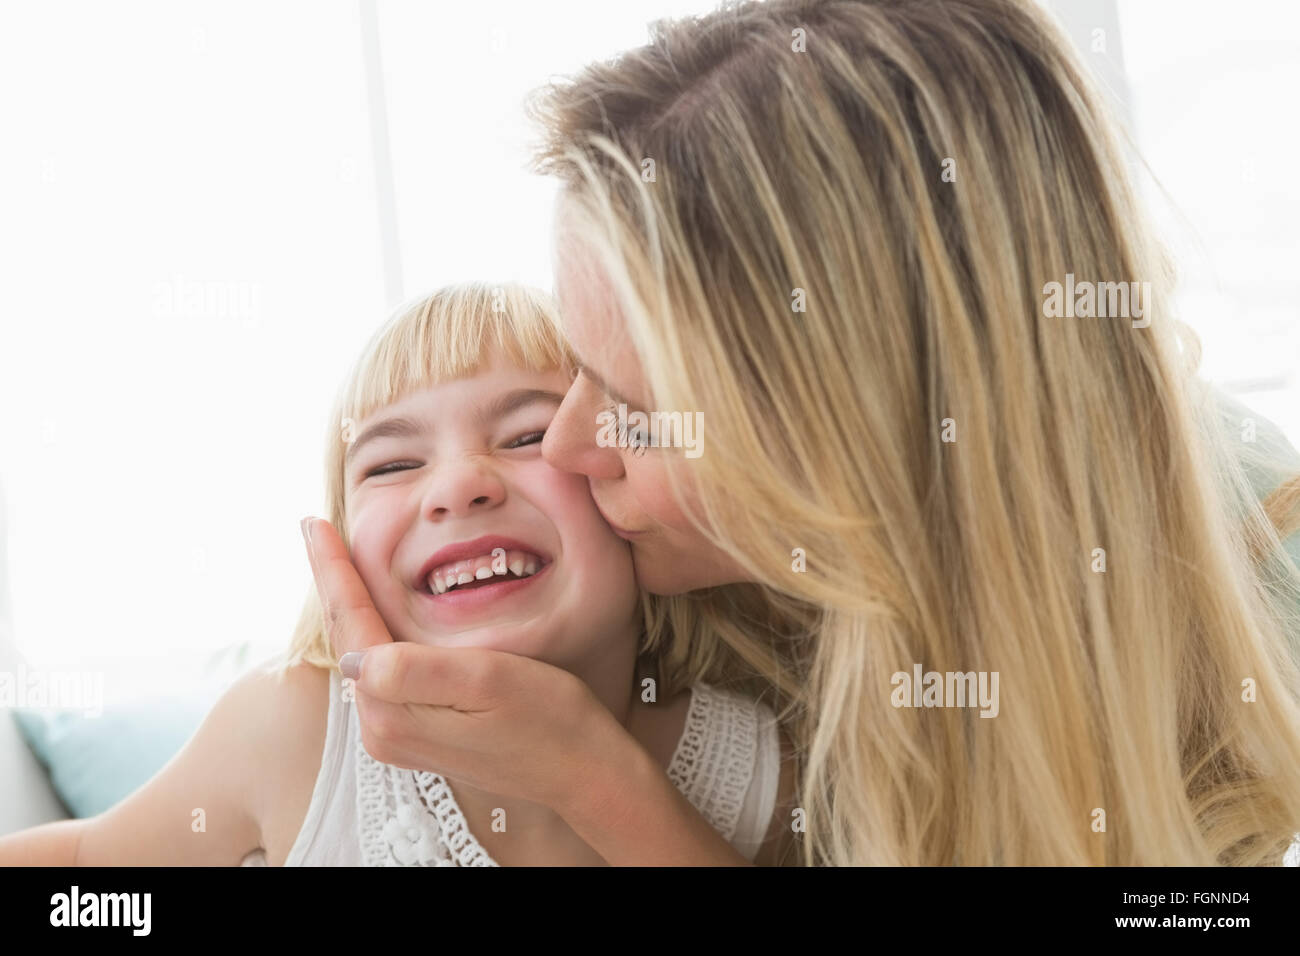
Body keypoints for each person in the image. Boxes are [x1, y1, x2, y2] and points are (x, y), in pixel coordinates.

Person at [519, 0, 1300, 864]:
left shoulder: (1264, 562)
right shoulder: (645, 583)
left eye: (637, 414)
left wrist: (601, 785)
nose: (564, 445)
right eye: (574, 361)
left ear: (864, 445)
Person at [0, 283, 799, 866]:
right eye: (393, 462)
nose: (459, 485)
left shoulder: (765, 771)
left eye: (526, 435)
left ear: (623, 490)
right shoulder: (296, 732)